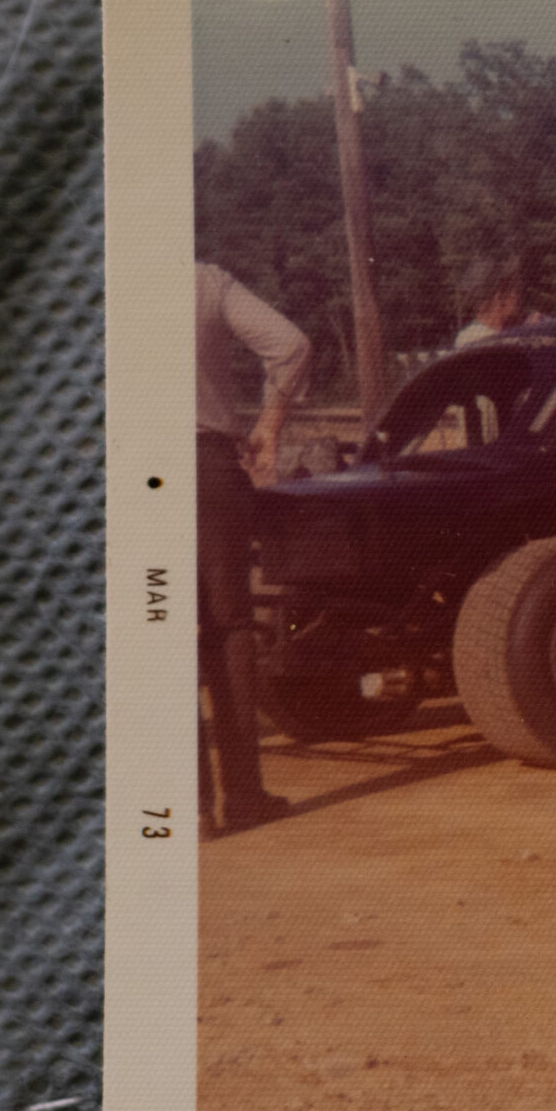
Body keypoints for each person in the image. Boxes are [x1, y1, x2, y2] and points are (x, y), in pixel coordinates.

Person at [196, 261, 311, 834]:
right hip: (206, 467)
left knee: (154, 630)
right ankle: (243, 797)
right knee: (229, 627)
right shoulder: (203, 281)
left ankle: (182, 810)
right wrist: (270, 421)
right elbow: (291, 344)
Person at [451, 256, 523, 348]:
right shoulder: (478, 339)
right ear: (500, 298)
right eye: (516, 291)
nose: (520, 297)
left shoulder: (468, 336)